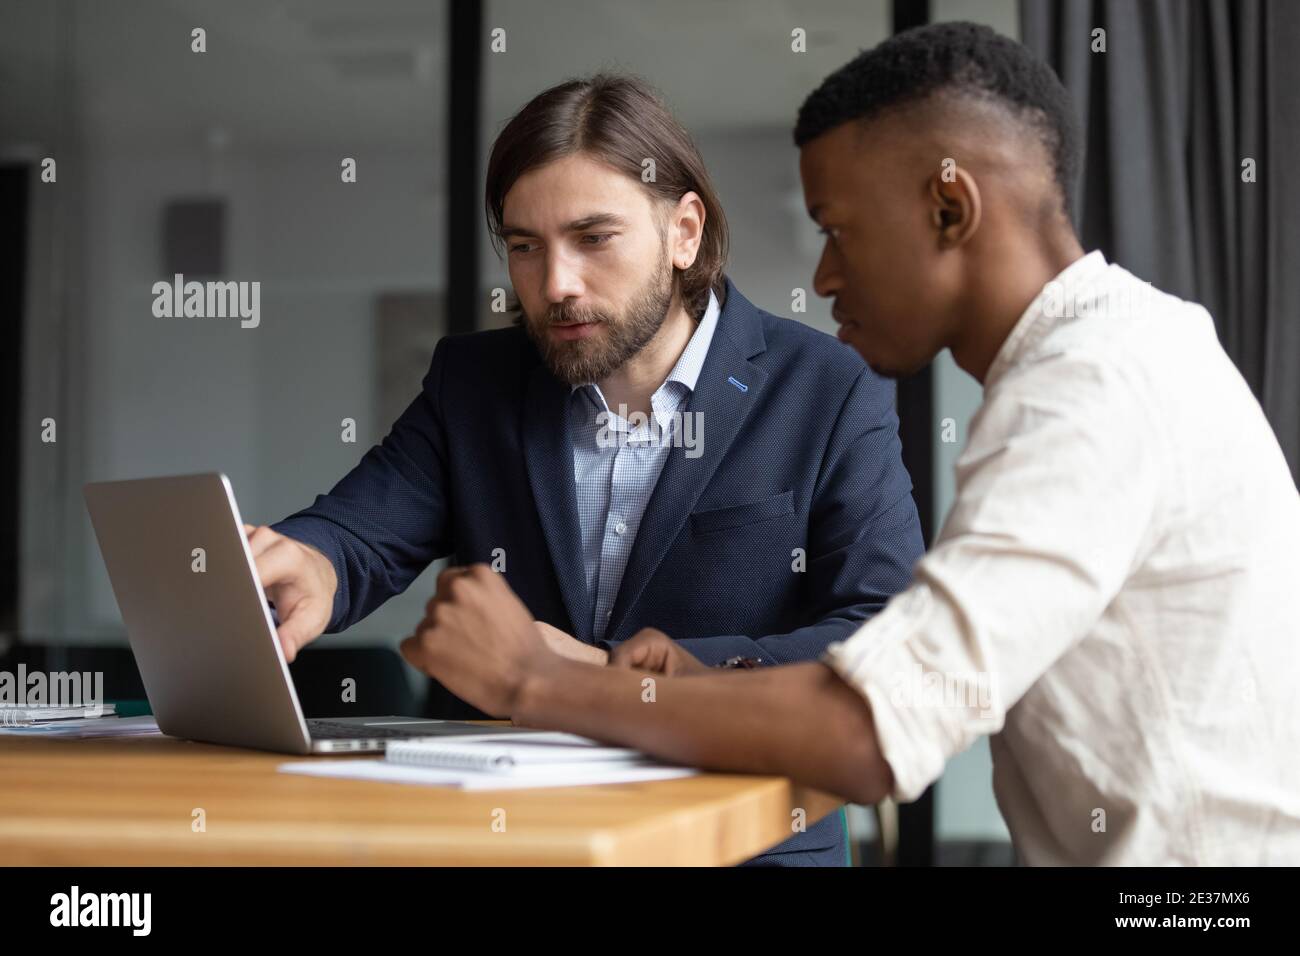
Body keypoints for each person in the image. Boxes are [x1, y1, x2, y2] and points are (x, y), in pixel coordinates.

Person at [400, 23, 1300, 865]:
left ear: (951, 207)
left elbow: (872, 730)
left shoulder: (1090, 389)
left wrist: (533, 680)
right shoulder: (1127, 347)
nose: (824, 275)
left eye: (837, 231)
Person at [247, 74, 924, 866]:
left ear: (684, 232)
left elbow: (883, 640)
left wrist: (618, 677)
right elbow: (360, 531)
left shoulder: (827, 388)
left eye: (593, 238)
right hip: (514, 844)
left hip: (739, 849)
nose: (555, 285)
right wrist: (312, 563)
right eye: (526, 247)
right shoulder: (476, 383)